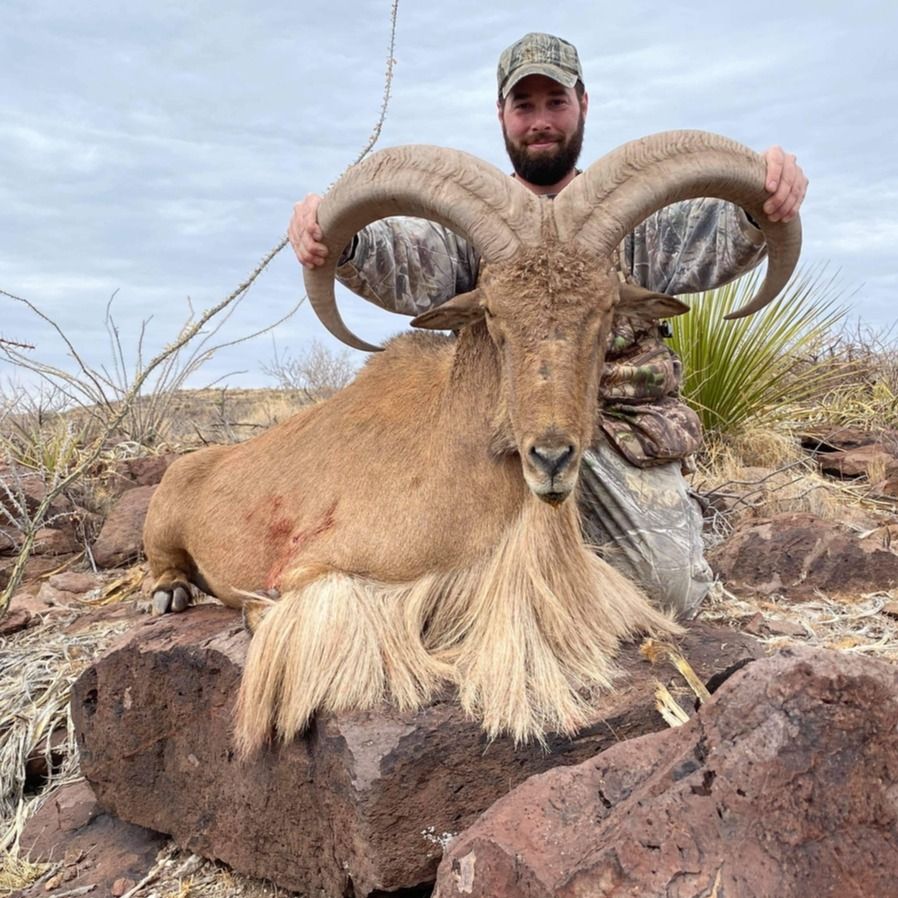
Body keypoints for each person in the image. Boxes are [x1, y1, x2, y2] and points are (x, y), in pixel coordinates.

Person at [287, 32, 808, 617]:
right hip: (503, 434)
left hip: (619, 439)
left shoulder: (627, 220)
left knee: (666, 594)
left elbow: (716, 238)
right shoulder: (475, 230)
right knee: (432, 575)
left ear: (582, 104)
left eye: (555, 102)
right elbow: (404, 260)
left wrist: (764, 203)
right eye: (524, 105)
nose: (540, 121)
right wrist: (338, 236)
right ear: (502, 115)